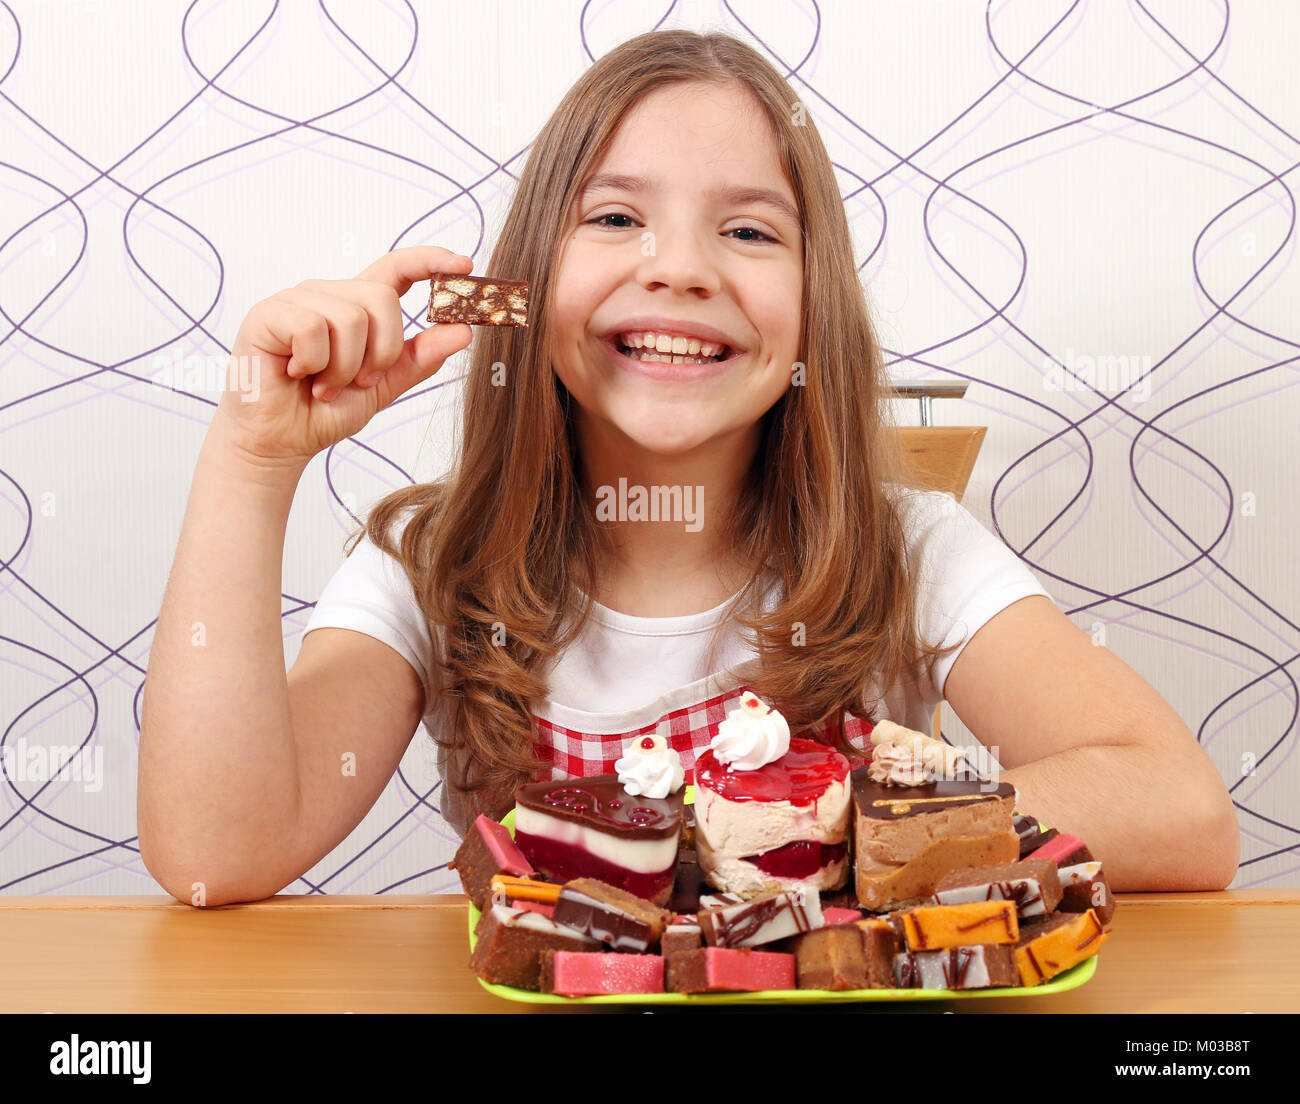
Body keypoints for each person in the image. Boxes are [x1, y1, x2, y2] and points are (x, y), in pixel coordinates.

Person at [138, 31, 1238, 907]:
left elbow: (1182, 812)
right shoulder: (434, 570)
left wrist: (813, 822)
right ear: (520, 290)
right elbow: (213, 854)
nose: (679, 268)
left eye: (751, 234)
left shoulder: (906, 550)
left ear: (813, 319)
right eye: (614, 217)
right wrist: (252, 458)